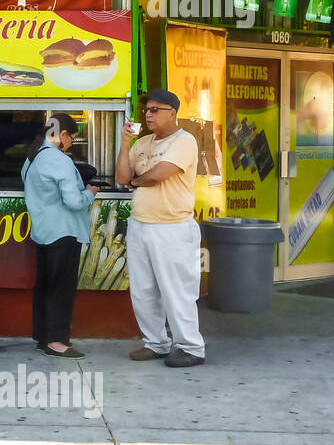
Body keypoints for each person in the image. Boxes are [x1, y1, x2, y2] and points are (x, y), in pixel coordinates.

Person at [115, 89, 206, 368]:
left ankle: (191, 347)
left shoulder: (185, 140)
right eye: (147, 109)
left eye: (155, 110)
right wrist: (125, 143)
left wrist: (134, 182)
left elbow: (157, 175)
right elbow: (121, 176)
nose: (149, 114)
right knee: (143, 290)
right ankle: (156, 343)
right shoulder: (141, 143)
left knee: (177, 291)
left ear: (172, 113)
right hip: (141, 224)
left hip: (173, 227)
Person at [21, 113, 99, 358]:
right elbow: (74, 202)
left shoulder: (32, 157)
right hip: (64, 231)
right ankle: (57, 342)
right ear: (62, 135)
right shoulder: (59, 160)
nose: (71, 144)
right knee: (61, 288)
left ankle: (44, 336)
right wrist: (90, 193)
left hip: (43, 231)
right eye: (72, 139)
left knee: (45, 286)